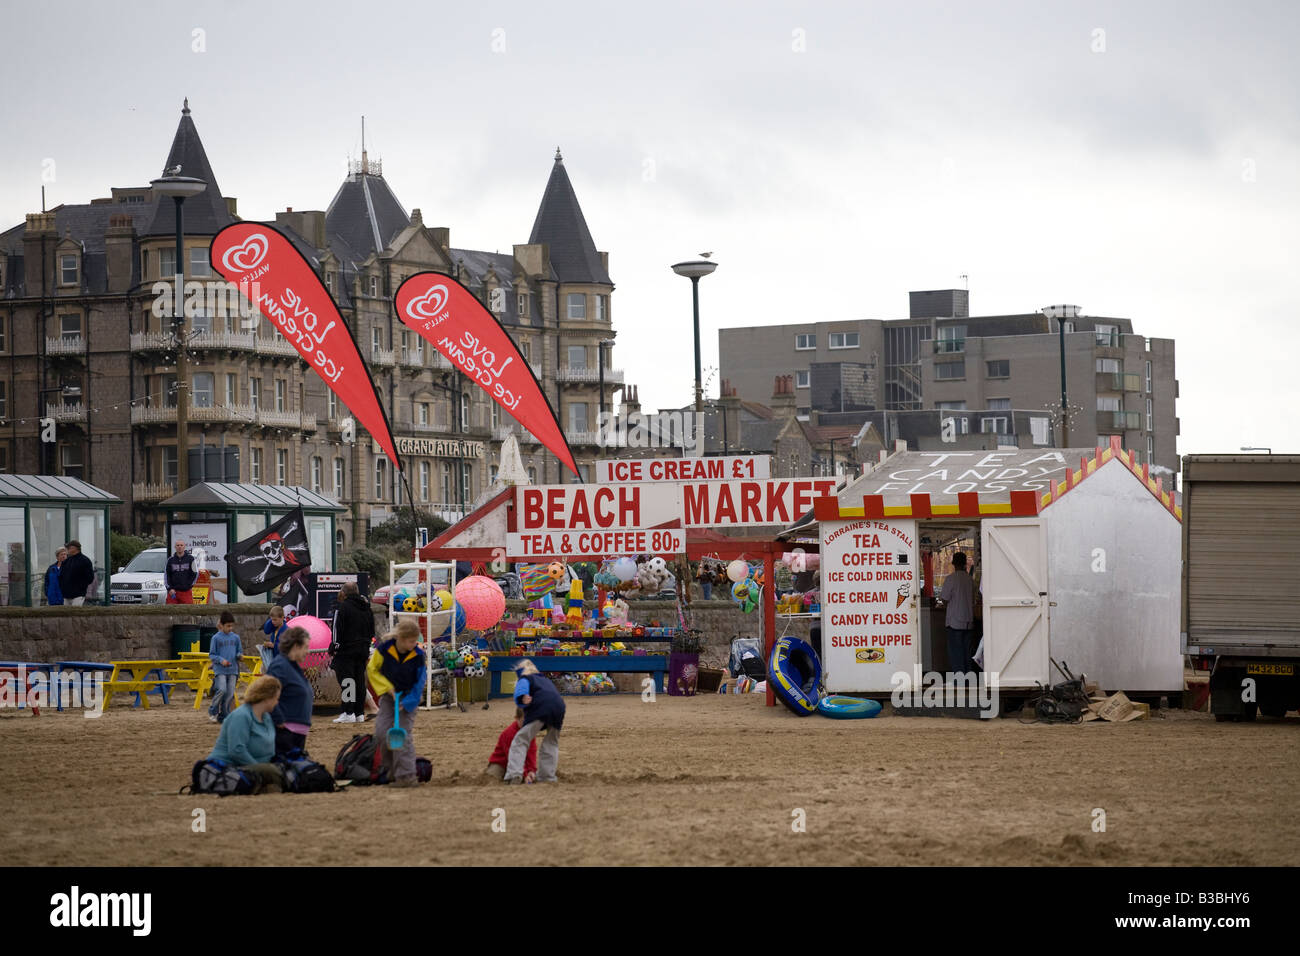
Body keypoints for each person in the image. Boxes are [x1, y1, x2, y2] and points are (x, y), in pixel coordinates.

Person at [365, 621, 426, 788]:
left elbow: (420, 682)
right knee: (382, 733)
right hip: (388, 698)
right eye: (411, 641)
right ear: (401, 638)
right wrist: (387, 687)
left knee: (402, 736)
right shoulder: (384, 649)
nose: (414, 645)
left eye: (415, 641)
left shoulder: (418, 655)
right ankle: (390, 771)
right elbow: (372, 669)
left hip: (409, 699)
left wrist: (408, 703)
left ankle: (407, 776)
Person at [207, 675, 285, 793]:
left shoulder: (267, 717)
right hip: (226, 767)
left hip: (251, 767)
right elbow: (236, 751)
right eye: (276, 698)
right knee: (274, 772)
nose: (277, 702)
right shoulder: (241, 716)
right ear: (267, 698)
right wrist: (261, 769)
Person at [505, 659, 564, 784]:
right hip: (559, 707)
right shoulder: (544, 680)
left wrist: (522, 697)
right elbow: (553, 695)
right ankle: (547, 777)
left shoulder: (525, 678)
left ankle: (514, 774)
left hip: (541, 707)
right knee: (551, 743)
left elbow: (521, 689)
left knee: (520, 740)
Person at [330, 580, 375, 723]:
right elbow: (371, 630)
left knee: (347, 680)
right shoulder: (367, 608)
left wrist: (335, 647)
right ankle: (359, 713)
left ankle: (348, 712)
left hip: (346, 651)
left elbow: (337, 631)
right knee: (360, 680)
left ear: (344, 593)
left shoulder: (342, 608)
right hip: (363, 649)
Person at [267, 626, 313, 756]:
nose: (307, 652)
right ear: (296, 646)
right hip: (286, 734)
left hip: (296, 733)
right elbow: (267, 693)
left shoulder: (293, 666)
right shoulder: (280, 666)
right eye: (305, 647)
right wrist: (279, 720)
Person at [937, 551, 977, 675]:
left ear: (954, 564)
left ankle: (959, 681)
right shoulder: (970, 580)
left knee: (956, 653)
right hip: (968, 622)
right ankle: (969, 680)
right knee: (967, 653)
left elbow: (944, 599)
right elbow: (973, 599)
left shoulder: (951, 579)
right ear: (965, 563)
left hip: (954, 622)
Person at [484, 708, 538, 782]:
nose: (527, 724)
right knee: (491, 778)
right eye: (524, 721)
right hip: (501, 763)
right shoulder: (509, 734)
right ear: (516, 718)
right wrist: (525, 774)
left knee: (535, 776)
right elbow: (513, 757)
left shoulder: (529, 731)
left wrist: (531, 770)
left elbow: (532, 753)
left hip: (520, 762)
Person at [208, 610, 242, 724]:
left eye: (232, 625)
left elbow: (239, 651)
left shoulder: (236, 638)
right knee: (222, 689)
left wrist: (239, 656)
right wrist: (221, 660)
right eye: (228, 626)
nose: (230, 628)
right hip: (220, 669)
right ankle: (213, 711)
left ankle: (224, 715)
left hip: (233, 670)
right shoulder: (216, 638)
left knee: (230, 693)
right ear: (221, 625)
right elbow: (212, 655)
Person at [59, 540, 95, 606]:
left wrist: (81, 587)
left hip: (78, 595)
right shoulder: (66, 561)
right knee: (66, 615)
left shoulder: (85, 561)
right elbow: (61, 577)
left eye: (69, 548)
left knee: (75, 614)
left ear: (75, 548)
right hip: (66, 595)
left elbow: (90, 578)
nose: (67, 549)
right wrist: (63, 588)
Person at [165, 539, 197, 604]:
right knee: (171, 612)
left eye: (181, 545)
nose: (179, 547)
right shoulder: (170, 560)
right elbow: (167, 575)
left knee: (188, 612)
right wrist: (170, 588)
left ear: (184, 547)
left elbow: (195, 573)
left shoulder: (191, 559)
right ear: (175, 547)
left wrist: (189, 586)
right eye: (178, 545)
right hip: (173, 592)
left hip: (186, 592)